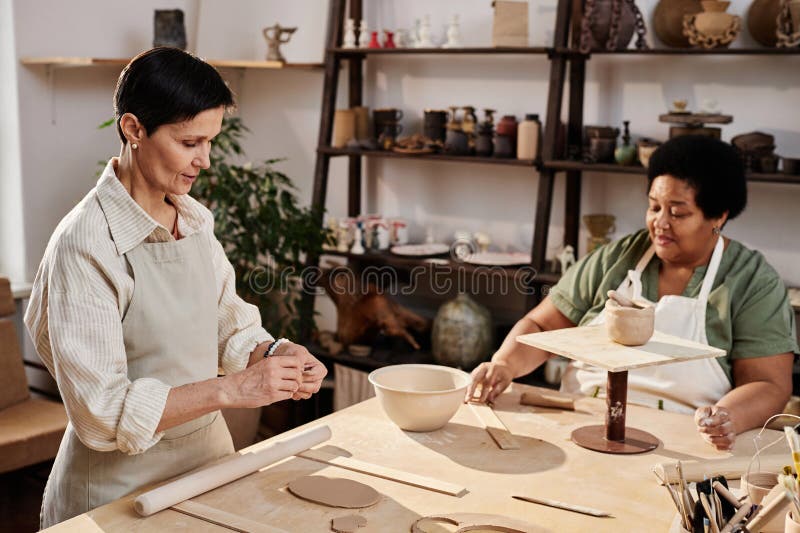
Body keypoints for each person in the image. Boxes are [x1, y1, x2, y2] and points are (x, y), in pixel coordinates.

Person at [24, 47, 327, 528]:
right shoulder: (84, 246)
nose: (205, 161)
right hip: (113, 493)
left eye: (211, 142)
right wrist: (232, 390)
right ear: (134, 129)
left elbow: (230, 326)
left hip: (205, 471)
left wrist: (276, 353)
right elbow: (101, 412)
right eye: (189, 143)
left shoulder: (194, 220)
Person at [467, 134, 797, 451]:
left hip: (681, 442)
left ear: (719, 217)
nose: (660, 223)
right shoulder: (618, 257)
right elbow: (542, 326)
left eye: (678, 212)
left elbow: (769, 385)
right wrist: (504, 365)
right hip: (579, 426)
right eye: (654, 207)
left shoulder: (752, 281)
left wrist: (728, 418)